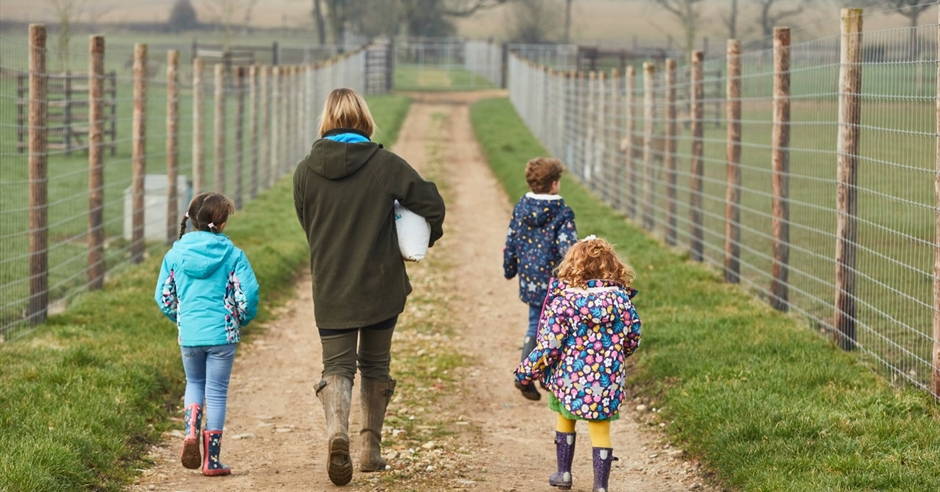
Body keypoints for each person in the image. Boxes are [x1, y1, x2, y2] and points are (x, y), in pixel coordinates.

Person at [293, 88, 445, 486]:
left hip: (331, 286)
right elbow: (432, 205)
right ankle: (370, 451)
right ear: (364, 119)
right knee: (376, 364)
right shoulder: (384, 165)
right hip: (381, 285)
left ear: (326, 120)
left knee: (336, 367)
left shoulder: (305, 171)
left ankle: (336, 433)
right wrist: (417, 240)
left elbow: (307, 222)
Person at [514, 235, 642, 492]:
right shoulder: (621, 301)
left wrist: (525, 372)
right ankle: (601, 486)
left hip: (568, 380)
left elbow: (549, 346)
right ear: (612, 266)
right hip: (606, 381)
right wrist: (615, 357)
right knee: (600, 428)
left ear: (573, 266)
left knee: (565, 416)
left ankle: (563, 473)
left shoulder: (564, 301)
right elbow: (633, 338)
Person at [154, 192, 259, 477]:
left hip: (190, 334)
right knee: (217, 392)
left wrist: (181, 317)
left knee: (194, 382)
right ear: (222, 223)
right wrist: (241, 318)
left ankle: (190, 431)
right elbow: (247, 295)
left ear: (190, 219)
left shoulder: (174, 255)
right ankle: (212, 460)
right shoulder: (233, 255)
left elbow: (164, 296)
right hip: (222, 335)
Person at [503, 157, 578, 401]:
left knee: (536, 323)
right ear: (554, 183)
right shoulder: (562, 213)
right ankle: (529, 377)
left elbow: (511, 240)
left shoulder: (521, 208)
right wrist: (578, 274)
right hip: (555, 283)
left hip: (529, 280)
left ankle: (541, 376)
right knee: (555, 327)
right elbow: (568, 249)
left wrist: (509, 268)